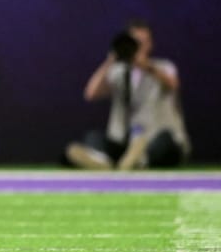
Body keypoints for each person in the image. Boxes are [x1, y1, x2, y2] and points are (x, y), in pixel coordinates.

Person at [65, 19, 189, 171]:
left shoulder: (163, 66)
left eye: (145, 41)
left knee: (166, 142)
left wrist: (147, 67)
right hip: (124, 143)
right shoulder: (118, 72)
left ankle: (140, 159)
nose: (141, 46)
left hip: (153, 139)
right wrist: (110, 61)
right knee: (93, 136)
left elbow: (173, 84)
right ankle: (103, 161)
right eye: (136, 42)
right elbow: (91, 94)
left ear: (151, 44)